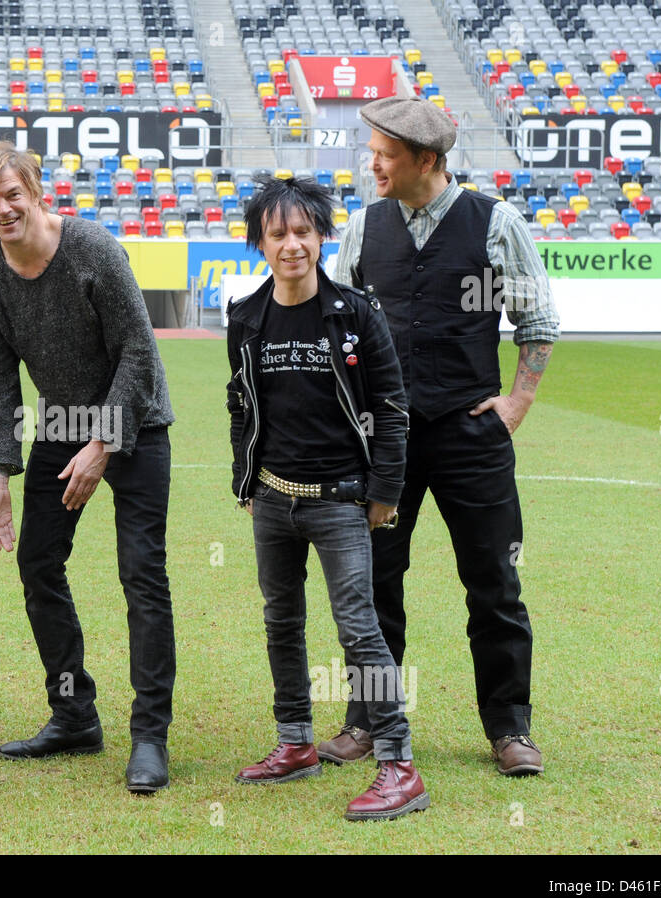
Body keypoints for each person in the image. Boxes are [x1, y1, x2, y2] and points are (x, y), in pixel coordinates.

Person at [326, 94, 559, 776]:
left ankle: (509, 729)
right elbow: (338, 326)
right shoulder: (365, 227)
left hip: (470, 434)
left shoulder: (495, 221)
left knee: (493, 582)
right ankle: (368, 722)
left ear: (426, 160)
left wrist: (517, 402)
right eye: (372, 153)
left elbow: (536, 316)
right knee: (372, 585)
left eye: (384, 156)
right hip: (384, 439)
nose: (373, 166)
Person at [0, 141, 177, 794]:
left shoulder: (92, 249)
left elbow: (138, 353)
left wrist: (103, 443)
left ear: (36, 191)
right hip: (59, 425)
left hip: (134, 422)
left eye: (12, 195)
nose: (3, 209)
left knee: (141, 572)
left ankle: (150, 734)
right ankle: (73, 712)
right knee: (38, 563)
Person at [226, 174, 427, 820]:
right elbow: (240, 406)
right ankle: (295, 744)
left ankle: (399, 764)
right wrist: (247, 481)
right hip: (274, 500)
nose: (292, 244)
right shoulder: (247, 318)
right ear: (261, 241)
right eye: (278, 233)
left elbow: (392, 409)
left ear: (321, 237)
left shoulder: (357, 315)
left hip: (342, 500)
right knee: (281, 623)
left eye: (303, 232)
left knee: (359, 629)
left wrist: (385, 492)